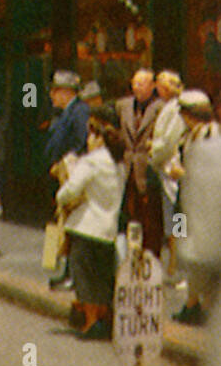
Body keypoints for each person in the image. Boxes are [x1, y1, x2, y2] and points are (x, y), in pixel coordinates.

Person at [56, 111, 126, 339]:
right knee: (103, 278)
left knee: (84, 276)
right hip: (108, 229)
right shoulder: (120, 164)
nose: (87, 140)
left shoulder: (91, 162)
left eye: (90, 136)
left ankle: (91, 322)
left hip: (86, 227)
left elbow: (70, 191)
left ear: (98, 138)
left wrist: (61, 195)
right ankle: (105, 322)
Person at [171, 90, 220, 324]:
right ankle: (190, 298)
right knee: (179, 236)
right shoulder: (189, 135)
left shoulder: (210, 136)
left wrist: (183, 173)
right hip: (184, 199)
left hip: (199, 202)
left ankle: (195, 304)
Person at [45, 70, 89, 288]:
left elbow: (81, 144)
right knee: (64, 224)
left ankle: (73, 274)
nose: (52, 95)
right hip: (62, 176)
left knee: (72, 225)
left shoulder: (79, 112)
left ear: (66, 92)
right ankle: (64, 269)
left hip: (72, 175)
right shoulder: (63, 112)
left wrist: (65, 164)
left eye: (55, 91)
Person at [117, 68, 163, 256]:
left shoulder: (161, 107)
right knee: (130, 217)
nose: (136, 87)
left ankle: (154, 258)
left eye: (141, 83)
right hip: (128, 170)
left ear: (153, 86)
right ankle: (132, 257)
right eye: (134, 83)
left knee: (153, 219)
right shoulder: (123, 105)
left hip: (150, 169)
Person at [146, 70, 185, 275]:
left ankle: (176, 265)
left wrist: (153, 151)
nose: (158, 88)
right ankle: (173, 264)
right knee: (171, 219)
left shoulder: (176, 108)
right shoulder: (169, 107)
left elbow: (169, 141)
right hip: (166, 168)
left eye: (160, 84)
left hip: (172, 169)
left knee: (177, 219)